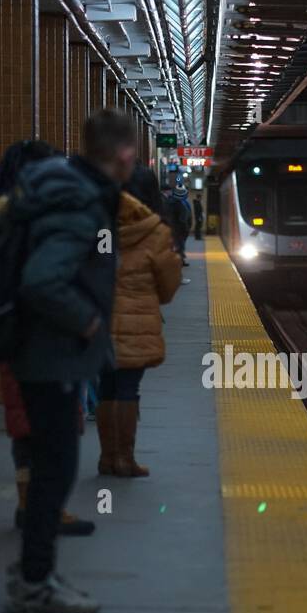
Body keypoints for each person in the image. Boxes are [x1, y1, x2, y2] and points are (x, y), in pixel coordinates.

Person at [5, 109, 136, 613]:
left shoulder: (62, 187)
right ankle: (36, 579)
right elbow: (42, 279)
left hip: (43, 354)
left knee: (51, 467)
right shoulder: (79, 200)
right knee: (55, 469)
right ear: (123, 155)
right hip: (52, 356)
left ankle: (35, 573)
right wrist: (87, 323)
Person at [0, 139, 95, 539]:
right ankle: (45, 514)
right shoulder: (35, 219)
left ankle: (28, 504)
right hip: (44, 343)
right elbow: (46, 284)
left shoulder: (0, 214)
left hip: (14, 341)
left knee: (25, 427)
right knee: (53, 435)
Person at [96, 190, 182, 477]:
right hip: (138, 326)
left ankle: (107, 458)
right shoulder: (155, 234)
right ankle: (125, 459)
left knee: (106, 387)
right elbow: (169, 286)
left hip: (101, 322)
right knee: (128, 389)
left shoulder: (94, 227)